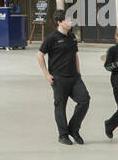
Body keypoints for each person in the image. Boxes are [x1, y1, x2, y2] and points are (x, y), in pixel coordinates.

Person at [38, 11, 89, 145]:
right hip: (59, 78)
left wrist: (78, 72)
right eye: (67, 20)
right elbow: (40, 55)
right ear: (59, 22)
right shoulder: (52, 38)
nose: (70, 23)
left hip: (74, 77)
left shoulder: (72, 37)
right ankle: (63, 135)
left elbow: (75, 55)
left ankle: (73, 129)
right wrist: (47, 74)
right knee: (60, 107)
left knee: (84, 100)